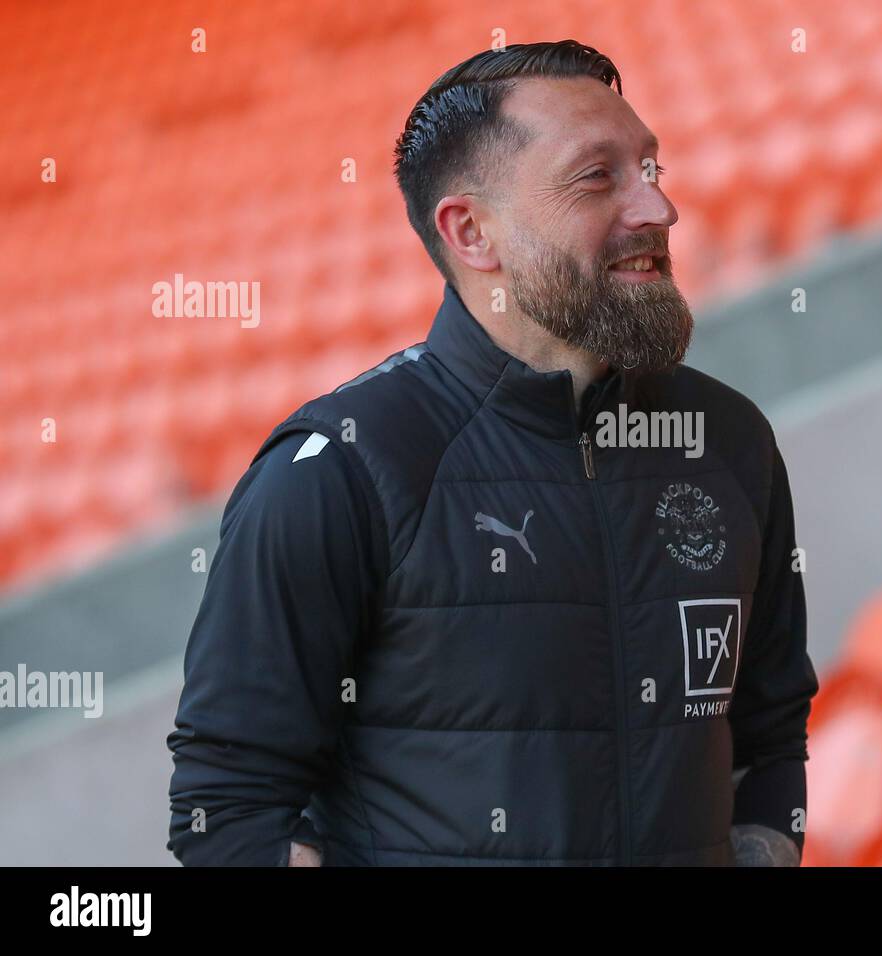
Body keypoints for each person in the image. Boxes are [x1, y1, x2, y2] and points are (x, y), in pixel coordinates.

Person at [166, 38, 818, 867]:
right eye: (598, 177)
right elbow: (227, 810)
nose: (658, 209)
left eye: (650, 167)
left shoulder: (729, 442)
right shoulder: (341, 469)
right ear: (472, 232)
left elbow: (770, 730)